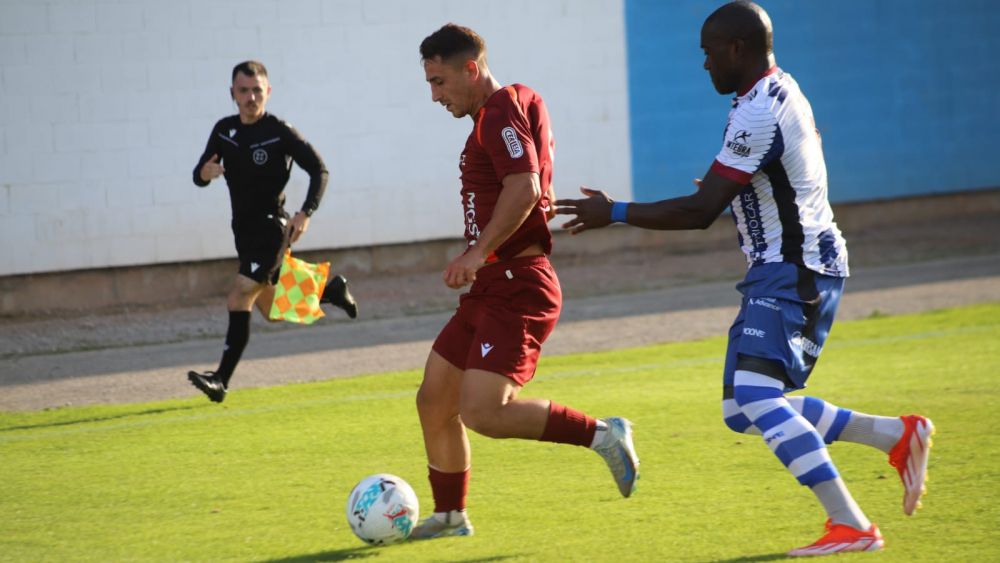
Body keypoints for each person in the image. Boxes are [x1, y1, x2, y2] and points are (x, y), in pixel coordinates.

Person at [555, 2, 933, 557]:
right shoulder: (777, 90)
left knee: (759, 396)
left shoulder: (758, 111)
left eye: (708, 53)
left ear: (736, 49)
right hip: (781, 267)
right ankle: (894, 435)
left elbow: (700, 211)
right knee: (743, 409)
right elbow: (765, 174)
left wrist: (614, 212)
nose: (703, 65)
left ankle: (851, 524)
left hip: (795, 267)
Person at [411, 24, 640, 539]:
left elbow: (525, 184)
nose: (435, 95)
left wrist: (478, 250)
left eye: (440, 81)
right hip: (491, 286)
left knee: (484, 412)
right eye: (429, 83)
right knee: (434, 400)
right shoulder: (497, 114)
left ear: (471, 68)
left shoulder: (498, 111)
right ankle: (450, 516)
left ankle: (603, 435)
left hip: (517, 285)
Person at [187, 60, 358, 404]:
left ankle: (220, 379)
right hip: (243, 231)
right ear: (232, 94)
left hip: (271, 229)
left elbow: (319, 170)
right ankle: (329, 288)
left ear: (268, 92)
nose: (251, 97)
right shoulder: (224, 130)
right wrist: (205, 173)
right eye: (243, 91)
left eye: (257, 90)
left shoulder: (279, 131)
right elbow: (198, 174)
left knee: (239, 296)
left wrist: (305, 213)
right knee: (271, 310)